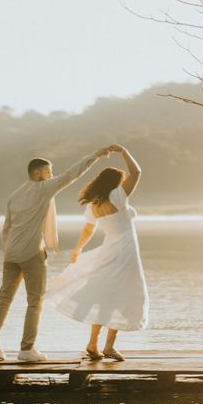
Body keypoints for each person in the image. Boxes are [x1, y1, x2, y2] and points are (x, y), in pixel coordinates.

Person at [0, 146, 113, 362]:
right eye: (48, 171)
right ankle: (27, 349)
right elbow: (73, 174)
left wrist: (9, 250)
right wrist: (96, 155)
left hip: (11, 254)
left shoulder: (14, 195)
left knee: (4, 298)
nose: (52, 175)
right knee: (35, 301)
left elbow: (6, 227)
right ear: (37, 173)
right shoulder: (43, 189)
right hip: (32, 253)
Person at [45, 144, 149, 361]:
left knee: (106, 295)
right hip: (125, 252)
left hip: (109, 250)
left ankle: (94, 346)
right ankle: (107, 347)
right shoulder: (118, 195)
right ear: (115, 183)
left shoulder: (94, 204)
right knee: (123, 294)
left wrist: (78, 248)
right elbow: (137, 172)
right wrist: (124, 151)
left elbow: (88, 229)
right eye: (120, 181)